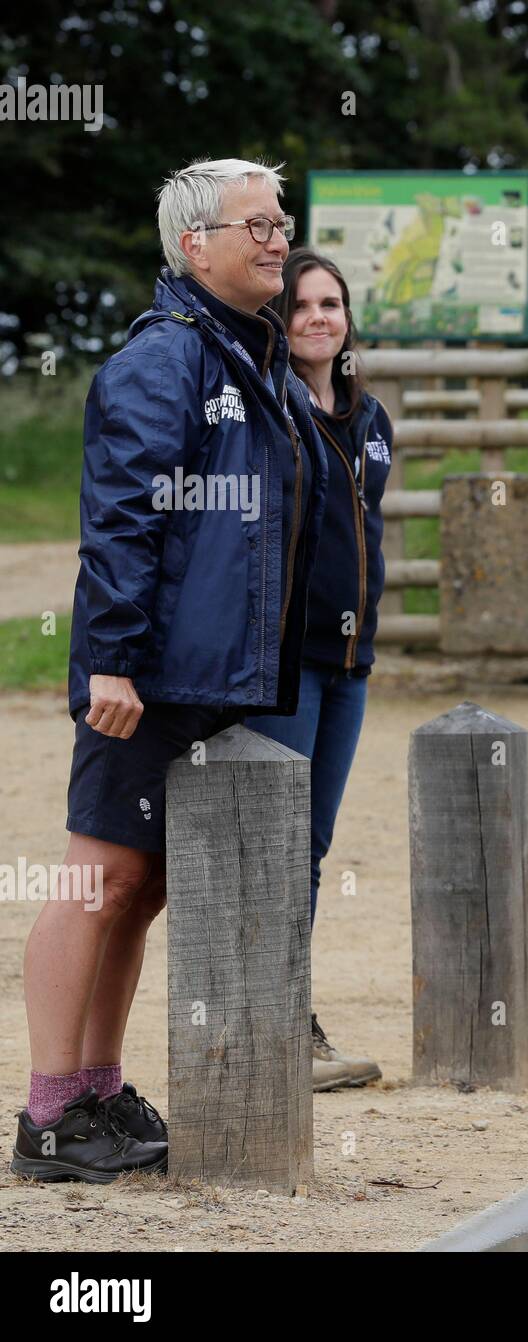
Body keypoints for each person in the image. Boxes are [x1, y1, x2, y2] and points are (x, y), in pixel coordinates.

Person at [12, 159, 328, 1183]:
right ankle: (49, 1111)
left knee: (141, 888)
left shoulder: (255, 354)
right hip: (142, 677)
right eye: (257, 225)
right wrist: (108, 658)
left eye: (283, 222)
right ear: (194, 244)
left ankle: (98, 1084)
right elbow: (120, 521)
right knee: (96, 877)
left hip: (210, 676)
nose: (278, 238)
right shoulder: (165, 358)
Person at [251, 248, 391, 1091]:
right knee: (276, 845)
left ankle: (287, 1018)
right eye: (300, 303)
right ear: (279, 316)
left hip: (350, 663)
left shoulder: (369, 416)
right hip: (285, 659)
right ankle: (270, 1027)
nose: (315, 317)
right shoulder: (270, 407)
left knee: (310, 843)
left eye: (330, 303)